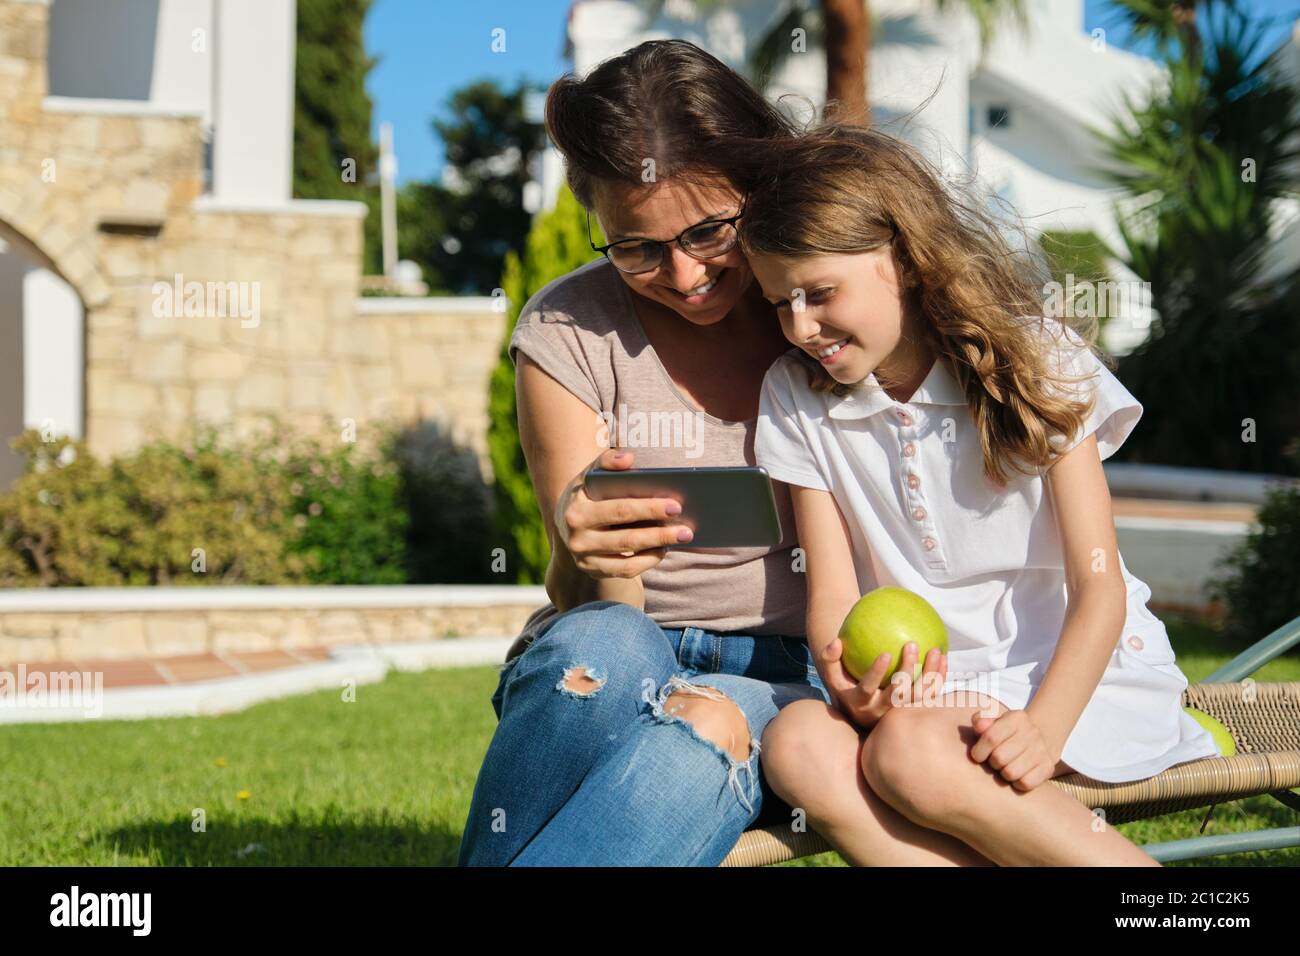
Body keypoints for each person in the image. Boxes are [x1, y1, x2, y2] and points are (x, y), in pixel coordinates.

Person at [739, 125, 1221, 866]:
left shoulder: (1038, 362)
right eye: (778, 302)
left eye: (819, 293)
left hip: (1073, 677)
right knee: (797, 744)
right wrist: (850, 682)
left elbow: (1099, 586)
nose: (800, 327)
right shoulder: (795, 396)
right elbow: (831, 600)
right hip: (926, 699)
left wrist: (1045, 728)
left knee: (907, 756)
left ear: (901, 258)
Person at [456, 40, 830, 867]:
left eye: (708, 231)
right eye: (638, 248)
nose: (686, 272)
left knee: (705, 719)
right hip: (617, 650)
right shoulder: (568, 332)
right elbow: (587, 600)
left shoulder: (818, 311)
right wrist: (583, 542)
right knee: (607, 652)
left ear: (756, 184)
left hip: (791, 672)